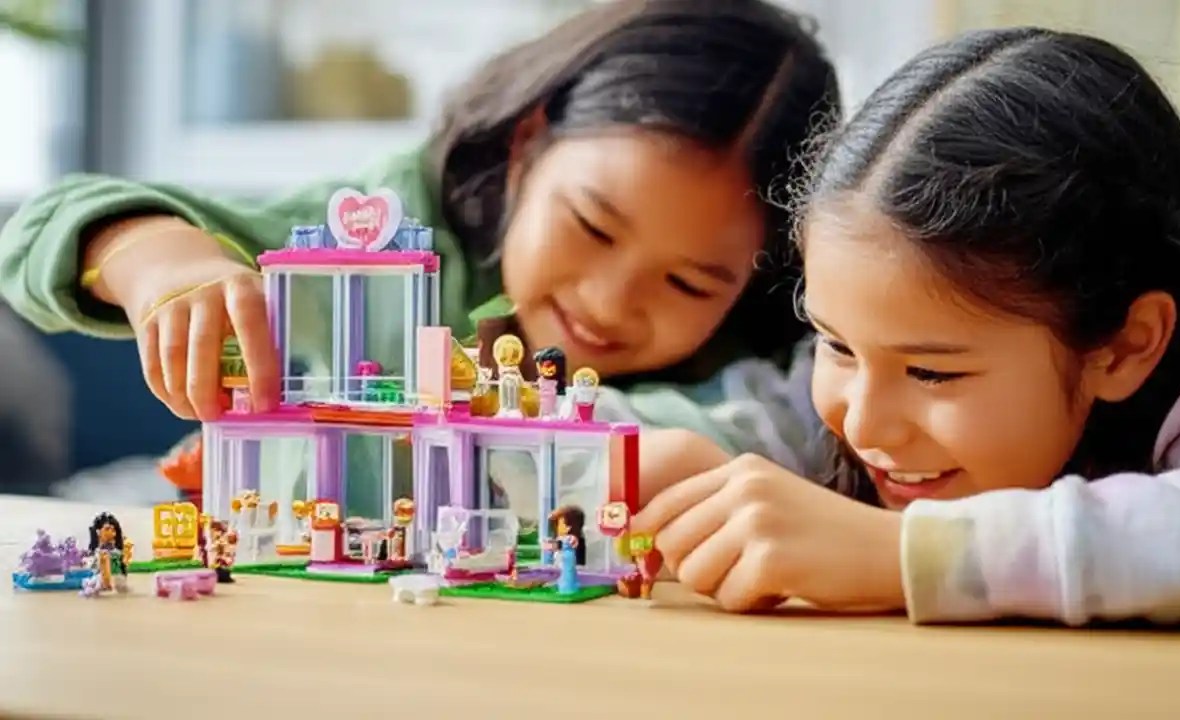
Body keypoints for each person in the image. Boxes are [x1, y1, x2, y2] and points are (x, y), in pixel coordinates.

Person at [0, 0, 841, 511]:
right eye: (590, 225)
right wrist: (156, 260)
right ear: (526, 146)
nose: (611, 302)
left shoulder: (791, 361)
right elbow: (44, 226)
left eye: (692, 281)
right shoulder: (391, 226)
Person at [632, 28, 1180, 628]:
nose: (862, 426)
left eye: (932, 372)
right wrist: (648, 450)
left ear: (1121, 347)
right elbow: (740, 422)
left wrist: (905, 556)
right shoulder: (875, 371)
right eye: (836, 344)